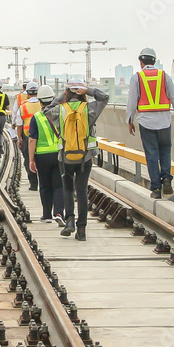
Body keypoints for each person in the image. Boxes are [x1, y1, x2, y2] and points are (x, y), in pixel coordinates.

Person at [44, 78, 109, 241]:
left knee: (67, 189)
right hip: (84, 158)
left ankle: (70, 221)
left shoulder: (60, 109)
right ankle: (82, 230)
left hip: (65, 157)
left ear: (67, 92)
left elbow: (46, 109)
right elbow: (104, 97)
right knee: (81, 192)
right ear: (81, 93)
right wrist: (89, 91)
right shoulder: (89, 108)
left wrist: (62, 96)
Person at [126, 48, 174, 199]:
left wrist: (130, 121)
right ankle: (167, 178)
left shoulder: (137, 78)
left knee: (152, 154)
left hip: (146, 122)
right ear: (154, 61)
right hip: (164, 120)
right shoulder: (164, 76)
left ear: (141, 62)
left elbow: (131, 102)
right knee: (165, 150)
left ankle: (156, 189)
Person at [27, 85, 64, 225]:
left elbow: (32, 140)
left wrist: (31, 159)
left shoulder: (36, 117)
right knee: (59, 185)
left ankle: (47, 214)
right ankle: (59, 213)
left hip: (42, 155)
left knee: (44, 185)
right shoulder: (60, 113)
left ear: (40, 101)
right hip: (58, 154)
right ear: (53, 99)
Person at [15, 81, 42, 191]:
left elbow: (19, 124)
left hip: (28, 137)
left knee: (29, 160)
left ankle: (34, 184)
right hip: (42, 136)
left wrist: (19, 138)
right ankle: (43, 182)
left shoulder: (23, 106)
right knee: (41, 159)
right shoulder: (43, 104)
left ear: (27, 93)